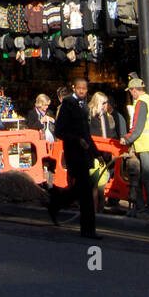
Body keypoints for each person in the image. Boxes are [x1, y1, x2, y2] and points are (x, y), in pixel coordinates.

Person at [47, 76, 98, 237]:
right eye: (79, 88)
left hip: (84, 154)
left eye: (85, 88)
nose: (82, 90)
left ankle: (55, 205)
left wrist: (97, 153)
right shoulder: (68, 104)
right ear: (73, 87)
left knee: (82, 190)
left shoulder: (84, 106)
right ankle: (88, 230)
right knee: (86, 191)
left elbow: (86, 133)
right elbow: (60, 131)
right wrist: (77, 141)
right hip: (74, 154)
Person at [122, 76, 149, 217]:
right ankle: (141, 207)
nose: (131, 94)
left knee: (147, 177)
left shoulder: (141, 103)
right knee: (142, 178)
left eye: (131, 91)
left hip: (146, 144)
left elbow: (137, 127)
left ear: (134, 90)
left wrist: (127, 139)